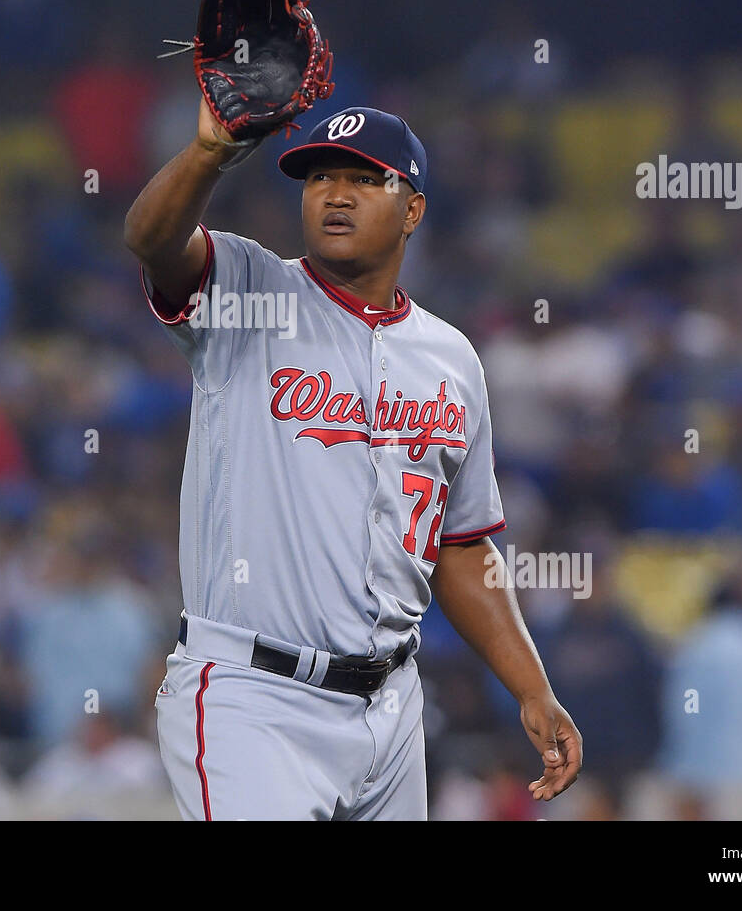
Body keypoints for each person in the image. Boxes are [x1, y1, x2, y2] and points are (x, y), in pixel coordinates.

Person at [123, 97, 582, 820]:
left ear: (413, 209)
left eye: (364, 179)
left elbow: (461, 547)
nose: (335, 194)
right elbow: (151, 241)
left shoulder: (452, 359)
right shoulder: (250, 289)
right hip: (254, 696)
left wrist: (531, 685)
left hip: (392, 708)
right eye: (318, 177)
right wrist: (210, 152)